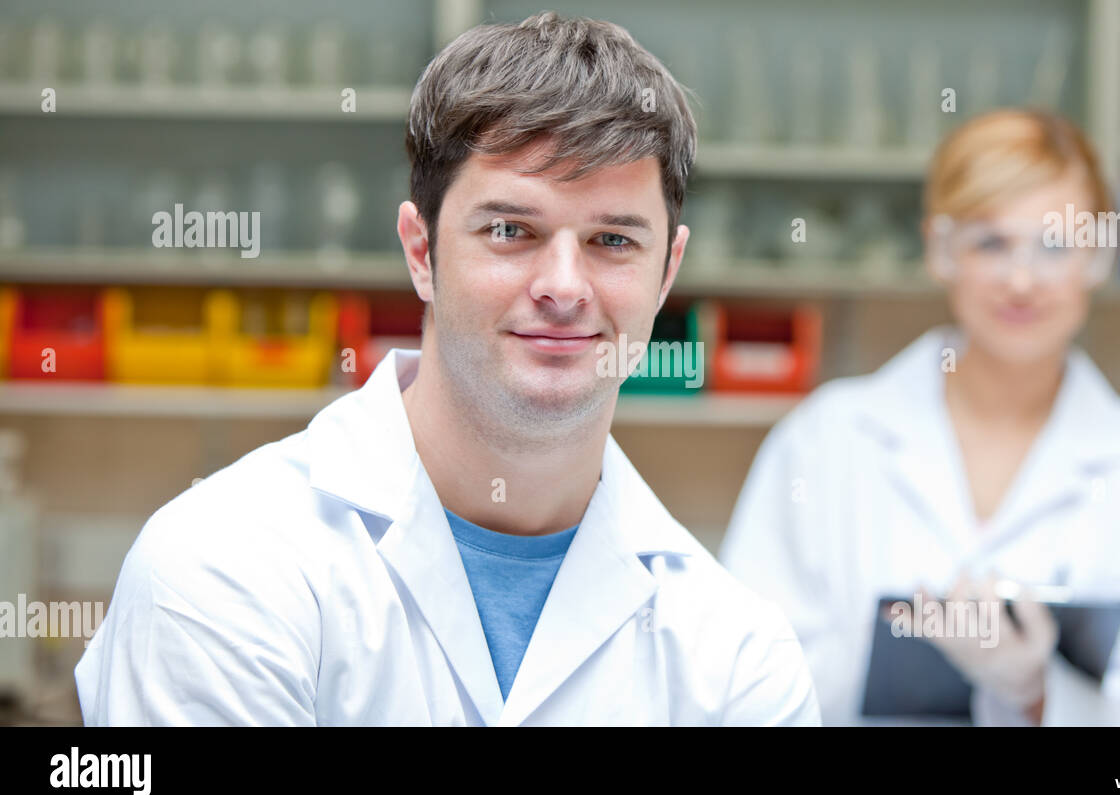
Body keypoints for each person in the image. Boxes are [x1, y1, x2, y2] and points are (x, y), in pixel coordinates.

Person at [75, 12, 819, 727]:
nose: (564, 287)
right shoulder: (223, 569)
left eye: (614, 241)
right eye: (510, 230)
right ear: (421, 252)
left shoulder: (737, 658)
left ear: (667, 271)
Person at [720, 109, 1120, 726]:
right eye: (991, 243)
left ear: (1099, 256)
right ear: (940, 250)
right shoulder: (822, 442)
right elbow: (742, 684)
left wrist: (1038, 696)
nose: (1021, 281)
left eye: (1056, 245)